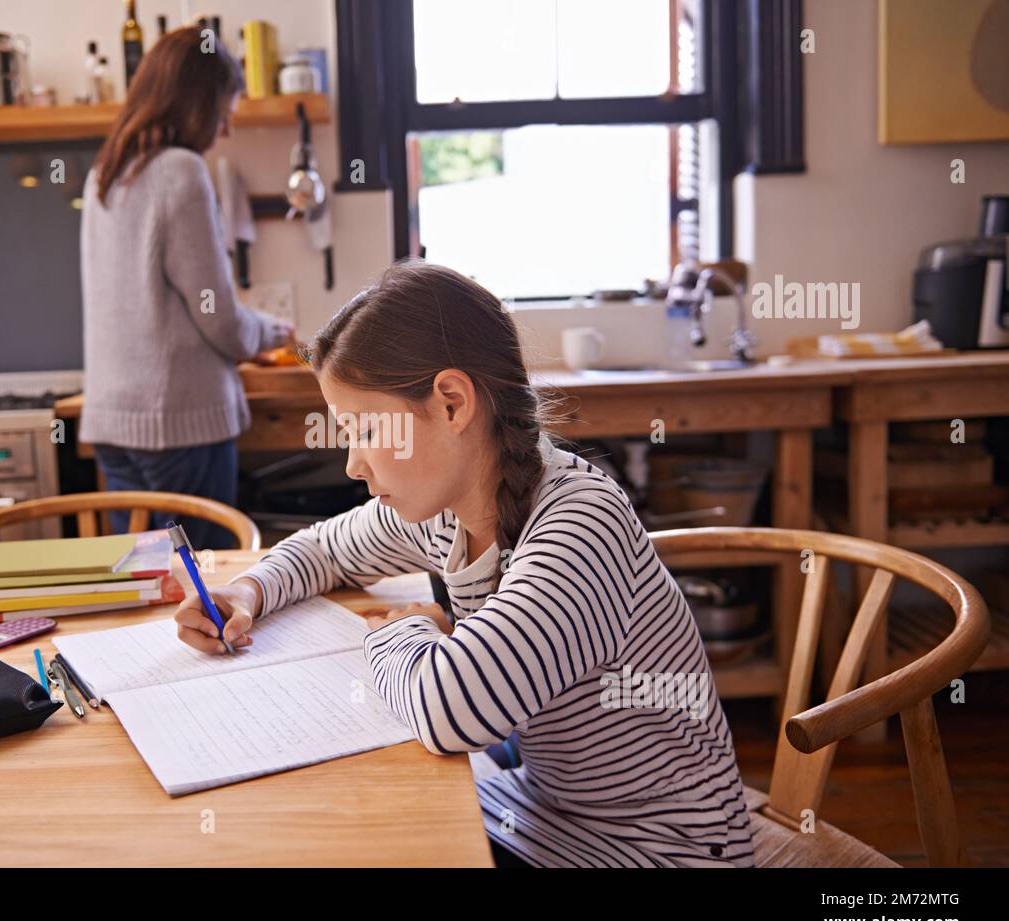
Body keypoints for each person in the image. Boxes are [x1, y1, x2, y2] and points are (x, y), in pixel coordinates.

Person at [172, 259, 756, 867]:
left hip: (659, 853)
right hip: (549, 811)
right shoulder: (449, 508)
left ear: (452, 403)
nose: (352, 464)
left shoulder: (582, 523)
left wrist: (401, 632)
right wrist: (246, 592)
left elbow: (453, 711)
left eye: (365, 431)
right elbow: (323, 547)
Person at [79, 26, 293, 549]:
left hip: (114, 424)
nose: (224, 130)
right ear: (196, 103)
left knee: (143, 588)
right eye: (223, 113)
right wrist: (273, 331)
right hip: (179, 424)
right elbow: (219, 319)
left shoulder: (106, 172)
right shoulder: (181, 172)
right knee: (202, 588)